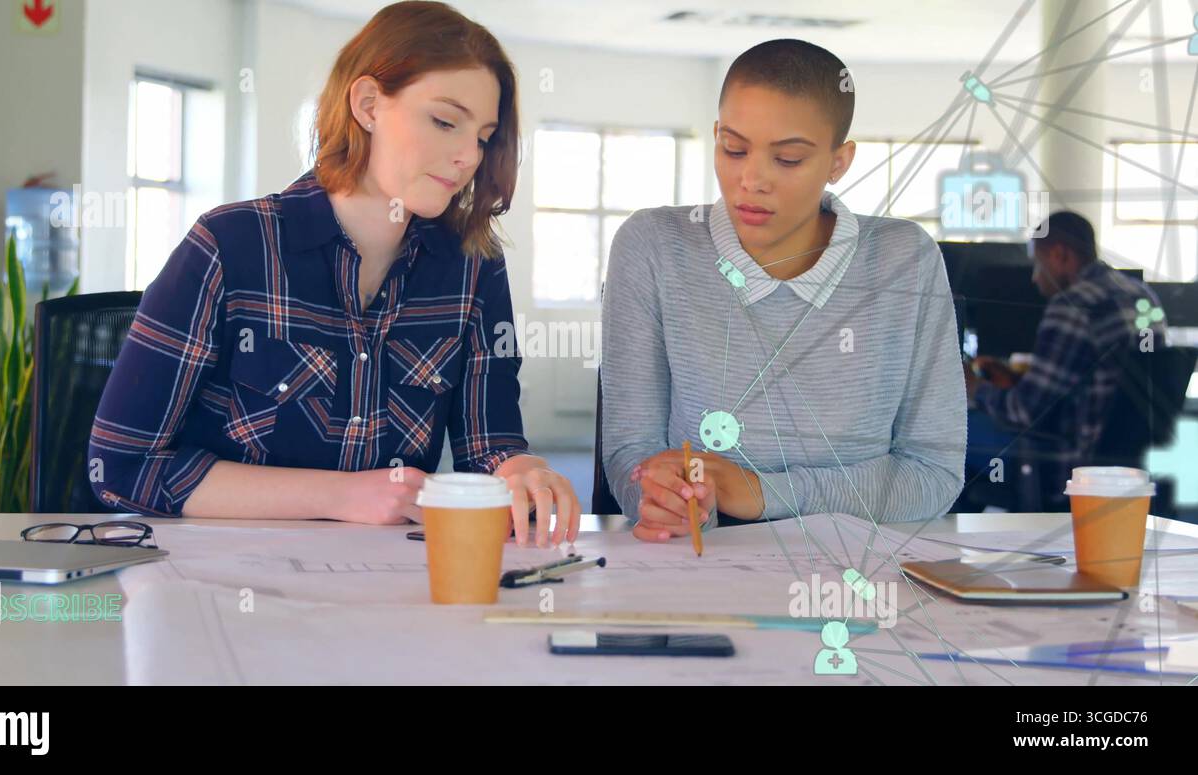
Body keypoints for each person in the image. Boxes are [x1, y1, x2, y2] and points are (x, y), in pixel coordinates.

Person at [90, 1, 580, 547]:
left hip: (389, 586)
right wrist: (340, 495)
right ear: (368, 104)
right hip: (225, 587)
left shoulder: (474, 266)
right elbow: (121, 466)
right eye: (445, 121)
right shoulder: (230, 245)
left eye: (484, 136)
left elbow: (489, 443)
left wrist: (517, 469)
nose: (468, 155)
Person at [602, 39, 965, 542]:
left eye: (788, 159)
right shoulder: (653, 247)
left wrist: (759, 492)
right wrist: (666, 498)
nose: (750, 180)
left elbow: (933, 474)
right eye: (733, 148)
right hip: (703, 574)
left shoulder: (906, 260)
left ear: (839, 161)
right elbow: (631, 453)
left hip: (861, 591)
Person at [965, 211, 1167, 509]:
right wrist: (1015, 379)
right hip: (1127, 469)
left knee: (956, 433)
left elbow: (1024, 413)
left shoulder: (1072, 305)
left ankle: (932, 548)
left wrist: (975, 389)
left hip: (1065, 465)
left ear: (1060, 255)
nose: (1034, 278)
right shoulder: (1142, 296)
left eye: (1037, 264)